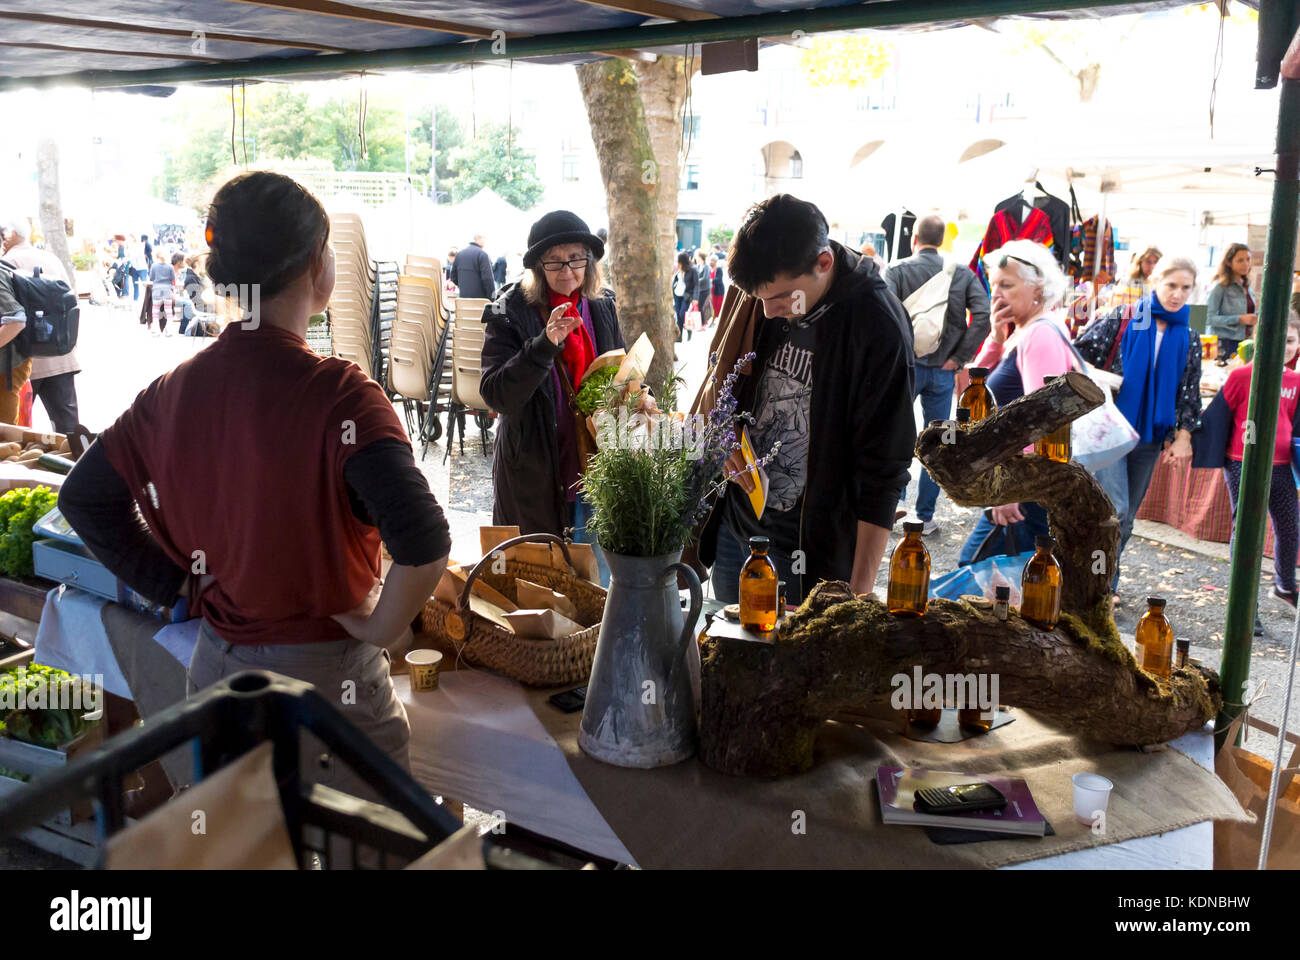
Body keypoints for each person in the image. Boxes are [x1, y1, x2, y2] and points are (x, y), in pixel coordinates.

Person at [58, 171, 451, 801]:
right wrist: (380, 629)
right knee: (369, 850)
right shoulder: (339, 394)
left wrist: (174, 583)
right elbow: (425, 541)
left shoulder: (172, 390)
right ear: (318, 265)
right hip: (328, 687)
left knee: (248, 850)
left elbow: (83, 498)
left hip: (219, 675)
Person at [690, 194, 916, 605]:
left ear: (824, 263)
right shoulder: (762, 287)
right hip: (735, 529)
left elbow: (884, 470)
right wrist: (724, 437)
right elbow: (723, 380)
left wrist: (857, 594)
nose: (769, 312)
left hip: (808, 552)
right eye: (760, 300)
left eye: (781, 299)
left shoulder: (877, 325)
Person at [479, 210, 623, 585]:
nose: (567, 270)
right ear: (537, 267)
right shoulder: (509, 310)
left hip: (596, 469)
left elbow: (621, 371)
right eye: (554, 261)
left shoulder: (602, 305)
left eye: (576, 258)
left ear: (589, 261)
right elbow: (496, 394)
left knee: (595, 586)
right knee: (541, 586)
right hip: (536, 476)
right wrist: (543, 346)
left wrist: (641, 397)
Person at [1076, 255, 1202, 594]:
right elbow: (1077, 354)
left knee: (1126, 519)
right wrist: (1104, 383)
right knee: (1115, 508)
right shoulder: (1124, 318)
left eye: (1185, 288)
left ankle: (1103, 583)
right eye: (1171, 285)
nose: (1177, 294)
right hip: (1111, 427)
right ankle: (1093, 583)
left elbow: (1189, 392)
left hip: (1149, 434)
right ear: (1156, 282)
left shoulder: (1188, 337)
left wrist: (1184, 436)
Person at [957, 240, 1075, 565]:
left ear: (1038, 287)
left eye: (1007, 285)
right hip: (1020, 481)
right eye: (993, 284)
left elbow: (1041, 417)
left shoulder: (1040, 334)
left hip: (1027, 486)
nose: (996, 293)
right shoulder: (1023, 331)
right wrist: (995, 339)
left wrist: (1011, 490)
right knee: (993, 574)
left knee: (982, 569)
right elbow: (973, 388)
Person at [885, 213, 991, 536]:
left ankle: (891, 506)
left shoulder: (897, 270)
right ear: (942, 239)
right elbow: (983, 314)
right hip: (944, 371)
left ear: (914, 239)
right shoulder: (960, 273)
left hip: (907, 368)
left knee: (896, 434)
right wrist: (959, 357)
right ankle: (925, 516)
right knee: (938, 442)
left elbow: (884, 315)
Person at [1219, 313, 1300, 629]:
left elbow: (1293, 423)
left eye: (1290, 341)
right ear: (1259, 342)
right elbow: (1221, 417)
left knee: (1290, 526)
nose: (1283, 348)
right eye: (1276, 341)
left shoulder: (1295, 381)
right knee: (1247, 532)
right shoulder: (1242, 377)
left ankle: (1284, 585)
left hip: (1281, 466)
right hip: (1243, 464)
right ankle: (1245, 604)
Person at [1, 220, 81, 434]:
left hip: (25, 360)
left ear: (9, 235)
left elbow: (13, 319)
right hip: (61, 353)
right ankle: (79, 464)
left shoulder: (7, 263)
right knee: (68, 427)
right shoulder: (50, 257)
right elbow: (71, 300)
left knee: (15, 429)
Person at [1207, 242, 1257, 366]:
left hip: (1245, 343)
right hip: (1225, 343)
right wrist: (1239, 319)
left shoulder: (1247, 286)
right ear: (1229, 263)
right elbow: (1209, 318)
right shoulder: (1220, 286)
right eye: (1240, 260)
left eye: (1248, 259)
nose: (1246, 263)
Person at [1109, 245, 1162, 314]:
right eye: (1148, 262)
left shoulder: (1161, 283)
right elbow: (1118, 307)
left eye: (1155, 262)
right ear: (1140, 262)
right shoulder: (1128, 280)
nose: (1152, 266)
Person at [148, 252, 176, 336]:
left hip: (156, 291)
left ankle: (156, 331)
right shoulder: (170, 267)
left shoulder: (153, 266)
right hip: (167, 291)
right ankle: (169, 330)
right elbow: (173, 278)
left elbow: (151, 278)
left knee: (155, 312)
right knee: (169, 312)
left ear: (157, 256)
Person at [672, 251, 697, 340]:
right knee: (678, 315)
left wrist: (695, 298)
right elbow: (676, 280)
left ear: (682, 261)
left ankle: (689, 329)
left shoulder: (692, 269)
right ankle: (680, 336)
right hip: (677, 294)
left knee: (683, 313)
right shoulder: (678, 269)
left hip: (686, 295)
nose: (677, 262)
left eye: (678, 261)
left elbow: (696, 285)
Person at [695, 249, 713, 327]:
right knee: (699, 306)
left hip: (705, 290)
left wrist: (695, 281)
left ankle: (702, 324)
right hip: (700, 289)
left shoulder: (706, 267)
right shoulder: (698, 266)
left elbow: (705, 278)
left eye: (697, 256)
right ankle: (702, 323)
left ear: (700, 257)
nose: (696, 258)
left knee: (701, 306)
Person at [128, 234, 149, 301]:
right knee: (135, 284)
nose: (132, 239)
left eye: (132, 237)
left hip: (142, 267)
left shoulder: (141, 245)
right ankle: (135, 299)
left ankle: (148, 298)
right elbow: (130, 255)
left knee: (144, 284)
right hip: (134, 267)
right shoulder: (131, 246)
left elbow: (135, 255)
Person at [709, 253, 725, 319]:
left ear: (715, 261)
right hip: (711, 290)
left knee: (717, 306)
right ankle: (712, 318)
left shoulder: (718, 269)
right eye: (710, 260)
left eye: (712, 260)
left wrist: (711, 280)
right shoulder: (710, 269)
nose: (711, 262)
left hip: (718, 291)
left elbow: (719, 279)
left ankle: (715, 318)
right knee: (712, 305)